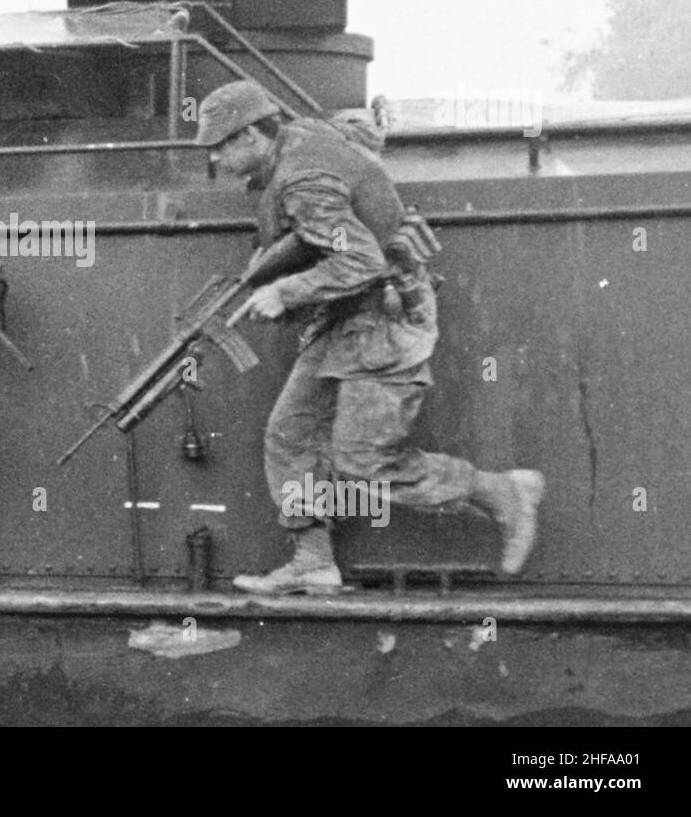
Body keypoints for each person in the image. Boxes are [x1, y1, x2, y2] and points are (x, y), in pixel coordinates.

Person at [194, 79, 545, 595]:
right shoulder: (301, 138)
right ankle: (313, 561)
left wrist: (287, 292)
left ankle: (501, 491)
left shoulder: (303, 180)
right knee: (290, 434)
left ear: (252, 134)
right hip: (346, 317)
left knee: (364, 463)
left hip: (381, 321)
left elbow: (360, 258)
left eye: (222, 145)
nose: (217, 159)